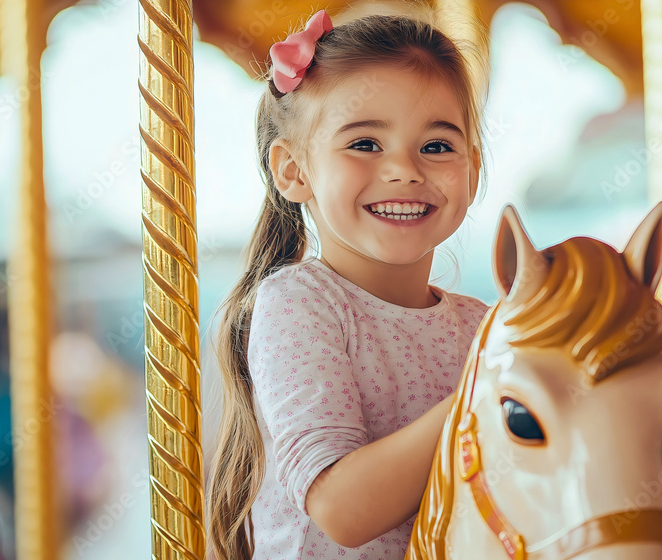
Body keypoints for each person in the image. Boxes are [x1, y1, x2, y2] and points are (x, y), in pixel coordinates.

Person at [208, 6, 491, 559]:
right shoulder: (300, 305)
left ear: (473, 168)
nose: (405, 169)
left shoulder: (483, 327)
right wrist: (488, 397)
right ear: (293, 170)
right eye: (365, 144)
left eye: (436, 146)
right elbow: (342, 509)